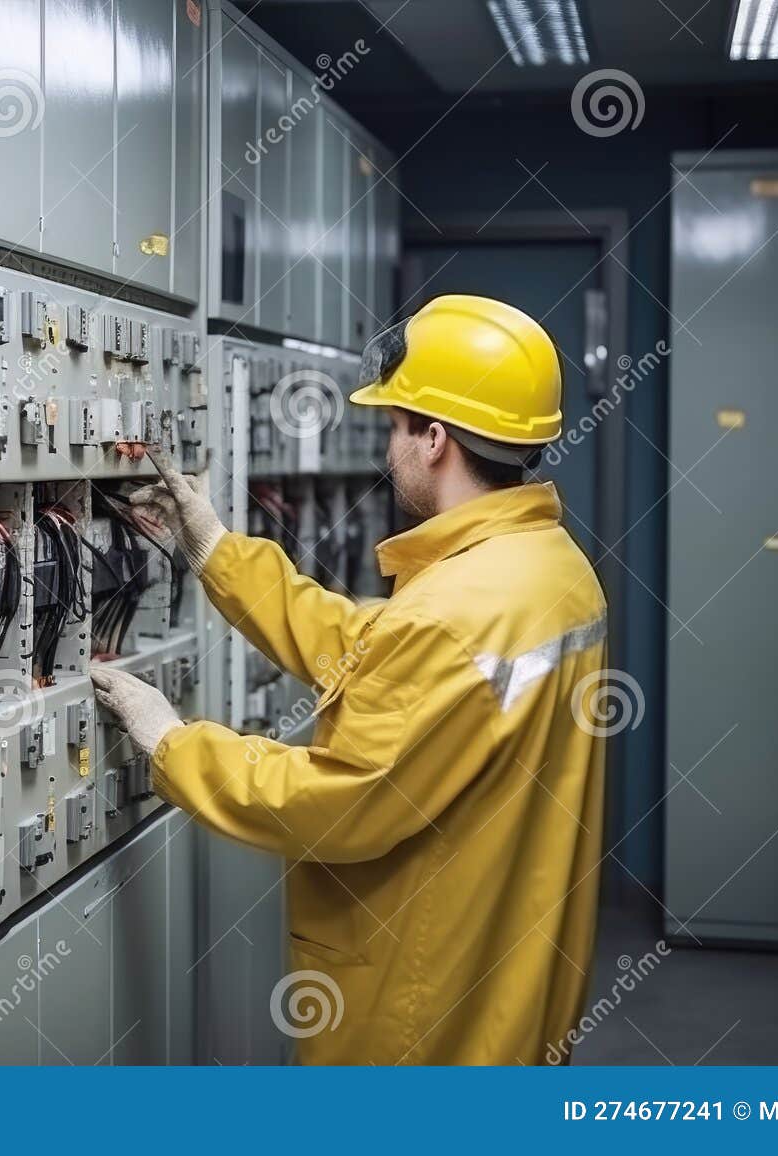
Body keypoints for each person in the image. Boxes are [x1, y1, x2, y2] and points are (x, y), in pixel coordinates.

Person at [89, 294, 609, 1065]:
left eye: (395, 426)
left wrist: (173, 743)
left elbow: (338, 801)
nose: (387, 448)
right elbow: (373, 651)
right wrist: (215, 550)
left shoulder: (451, 611)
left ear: (434, 439)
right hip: (511, 981)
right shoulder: (552, 570)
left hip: (421, 1013)